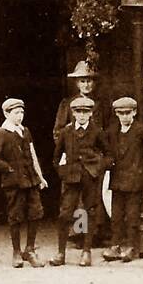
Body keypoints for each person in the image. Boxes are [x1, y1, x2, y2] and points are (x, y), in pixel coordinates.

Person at [0, 97, 47, 268]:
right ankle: (16, 252)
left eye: (22, 112)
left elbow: (32, 155)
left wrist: (40, 177)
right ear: (6, 114)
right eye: (16, 113)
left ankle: (30, 249)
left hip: (31, 180)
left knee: (36, 213)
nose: (20, 116)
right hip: (14, 183)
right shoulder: (1, 133)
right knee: (16, 216)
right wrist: (9, 168)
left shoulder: (25, 131)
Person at [50, 95, 108, 266]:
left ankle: (86, 251)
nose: (82, 115)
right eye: (78, 112)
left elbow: (109, 154)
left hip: (90, 177)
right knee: (65, 213)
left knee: (90, 212)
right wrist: (63, 172)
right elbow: (56, 157)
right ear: (73, 113)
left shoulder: (97, 131)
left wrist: (98, 168)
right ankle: (60, 253)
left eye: (85, 112)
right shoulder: (66, 132)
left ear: (91, 114)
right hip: (71, 178)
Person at [104, 96, 143, 262]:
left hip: (134, 179)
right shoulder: (112, 131)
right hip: (117, 179)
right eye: (120, 113)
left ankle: (131, 246)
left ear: (134, 112)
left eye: (127, 113)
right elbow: (106, 150)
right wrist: (108, 161)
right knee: (116, 215)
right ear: (116, 114)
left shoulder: (140, 131)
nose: (124, 116)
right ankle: (115, 245)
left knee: (132, 215)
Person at [53, 61, 110, 139]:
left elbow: (108, 130)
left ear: (94, 83)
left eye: (89, 81)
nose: (86, 85)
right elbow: (58, 133)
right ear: (77, 83)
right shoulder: (67, 104)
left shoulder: (102, 104)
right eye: (82, 81)